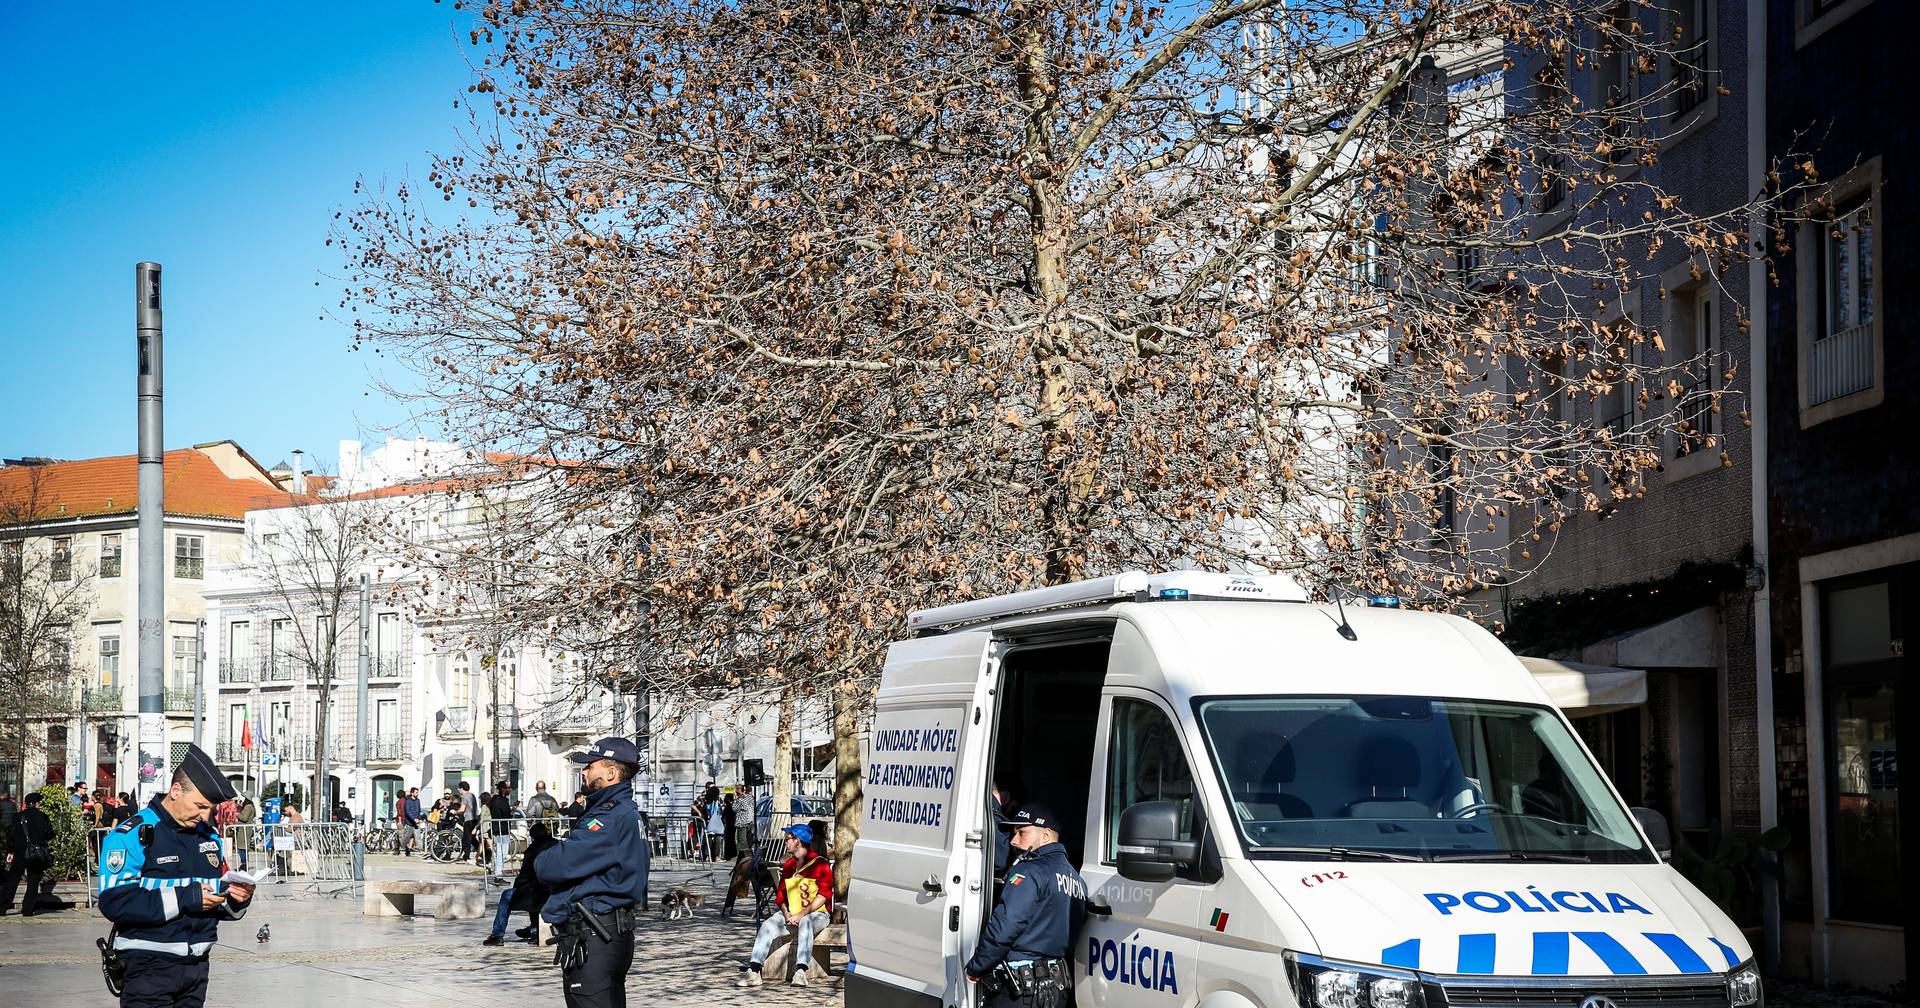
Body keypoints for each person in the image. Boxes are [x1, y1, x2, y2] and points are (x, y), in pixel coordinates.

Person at [98, 744, 256, 1006]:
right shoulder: (132, 834)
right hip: (147, 967)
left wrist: (238, 898)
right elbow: (115, 902)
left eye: (211, 809)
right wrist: (186, 898)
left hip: (196, 968)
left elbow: (214, 902)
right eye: (200, 805)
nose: (205, 815)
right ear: (175, 791)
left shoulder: (209, 838)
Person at [533, 736, 650, 1008]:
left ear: (611, 773)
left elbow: (553, 866)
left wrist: (543, 855)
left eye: (591, 766)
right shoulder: (625, 812)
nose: (584, 771)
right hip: (609, 933)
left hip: (595, 935)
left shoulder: (609, 818)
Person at [964, 803, 1087, 1008]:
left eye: (1022, 832)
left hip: (1020, 992)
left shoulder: (1029, 872)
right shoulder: (1076, 880)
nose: (1013, 840)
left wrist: (977, 966)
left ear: (1046, 835)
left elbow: (1005, 925)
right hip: (1056, 991)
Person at [736, 822, 834, 988]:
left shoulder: (821, 864)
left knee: (806, 922)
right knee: (767, 925)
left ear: (799, 841)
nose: (785, 842)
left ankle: (801, 971)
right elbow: (781, 896)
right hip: (792, 914)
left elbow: (823, 896)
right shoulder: (789, 865)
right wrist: (787, 913)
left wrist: (801, 914)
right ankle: (754, 970)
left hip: (817, 915)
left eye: (788, 838)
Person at [482, 821, 558, 945]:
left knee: (510, 895)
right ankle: (533, 929)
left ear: (533, 837)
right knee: (530, 894)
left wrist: (518, 886)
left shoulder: (532, 850)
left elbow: (525, 875)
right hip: (557, 889)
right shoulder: (558, 846)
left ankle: (497, 935)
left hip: (538, 889)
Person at [0, 792, 55, 916]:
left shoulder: (17, 817)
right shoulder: (43, 816)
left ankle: (2, 906)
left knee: (12, 880)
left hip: (20, 852)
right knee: (33, 881)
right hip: (36, 853)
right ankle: (28, 909)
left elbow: (11, 835)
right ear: (37, 803)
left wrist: (10, 850)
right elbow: (49, 834)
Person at [488, 782, 514, 874]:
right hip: (502, 829)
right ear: (503, 789)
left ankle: (496, 873)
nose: (510, 790)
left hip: (496, 829)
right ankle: (498, 874)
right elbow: (506, 814)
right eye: (508, 788)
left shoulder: (494, 800)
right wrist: (512, 811)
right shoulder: (502, 801)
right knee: (502, 853)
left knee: (497, 853)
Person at [232, 797, 257, 872]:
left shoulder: (248, 807)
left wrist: (237, 814)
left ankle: (244, 864)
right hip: (245, 829)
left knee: (242, 848)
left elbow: (244, 818)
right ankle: (244, 864)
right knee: (243, 848)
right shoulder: (250, 806)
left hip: (244, 830)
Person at [397, 787, 423, 856]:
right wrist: (414, 819)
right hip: (409, 822)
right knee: (406, 837)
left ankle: (421, 850)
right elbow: (407, 811)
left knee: (418, 837)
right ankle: (402, 849)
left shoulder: (418, 801)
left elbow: (419, 810)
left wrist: (419, 819)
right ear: (412, 793)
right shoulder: (408, 801)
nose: (417, 794)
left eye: (418, 792)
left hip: (416, 822)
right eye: (416, 792)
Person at [458, 781, 480, 861]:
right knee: (473, 838)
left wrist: (455, 812)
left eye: (459, 789)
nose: (458, 790)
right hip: (475, 818)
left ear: (461, 788)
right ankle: (483, 852)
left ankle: (466, 856)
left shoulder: (464, 796)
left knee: (466, 838)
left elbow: (462, 808)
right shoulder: (472, 795)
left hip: (468, 819)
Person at [719, 793, 738, 861]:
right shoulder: (732, 806)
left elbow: (724, 817)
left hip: (728, 825)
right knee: (731, 840)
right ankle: (732, 854)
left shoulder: (728, 807)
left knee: (728, 841)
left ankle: (728, 855)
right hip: (732, 825)